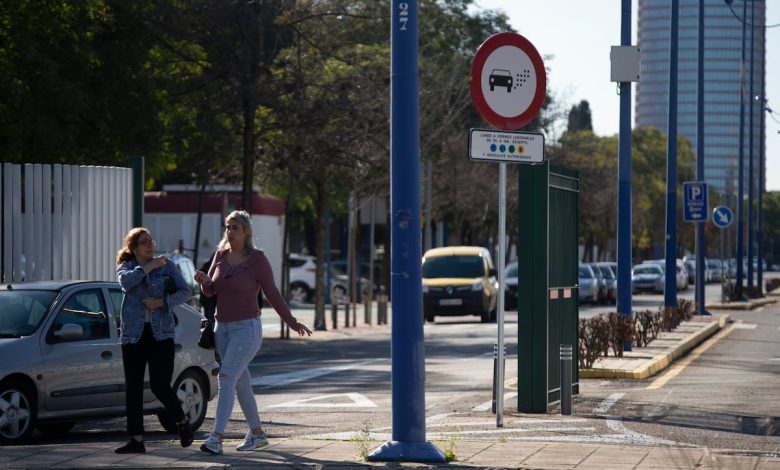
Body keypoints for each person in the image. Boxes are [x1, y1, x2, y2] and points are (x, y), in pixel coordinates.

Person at [194, 210, 312, 455]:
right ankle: (258, 434)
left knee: (226, 377)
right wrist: (205, 282)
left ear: (246, 231)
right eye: (228, 227)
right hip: (221, 329)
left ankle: (216, 437)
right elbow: (212, 292)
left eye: (236, 227)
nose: (231, 232)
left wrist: (291, 321)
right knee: (241, 382)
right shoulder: (220, 255)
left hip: (246, 329)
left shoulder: (257, 259)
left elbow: (272, 293)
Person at [114, 227, 194, 454]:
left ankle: (181, 421)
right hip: (133, 335)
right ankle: (136, 440)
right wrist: (148, 267)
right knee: (134, 388)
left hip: (161, 334)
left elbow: (185, 291)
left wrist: (162, 303)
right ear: (134, 248)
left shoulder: (168, 266)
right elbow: (126, 283)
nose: (151, 245)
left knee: (160, 385)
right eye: (144, 242)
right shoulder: (127, 267)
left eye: (151, 241)